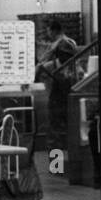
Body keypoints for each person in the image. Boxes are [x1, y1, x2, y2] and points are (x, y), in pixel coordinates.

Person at [38, 19, 79, 161]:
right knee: (62, 131)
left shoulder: (62, 44)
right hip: (65, 89)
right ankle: (61, 165)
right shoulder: (69, 42)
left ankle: (56, 166)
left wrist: (43, 67)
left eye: (48, 30)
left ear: (53, 30)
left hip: (59, 91)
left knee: (56, 132)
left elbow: (63, 63)